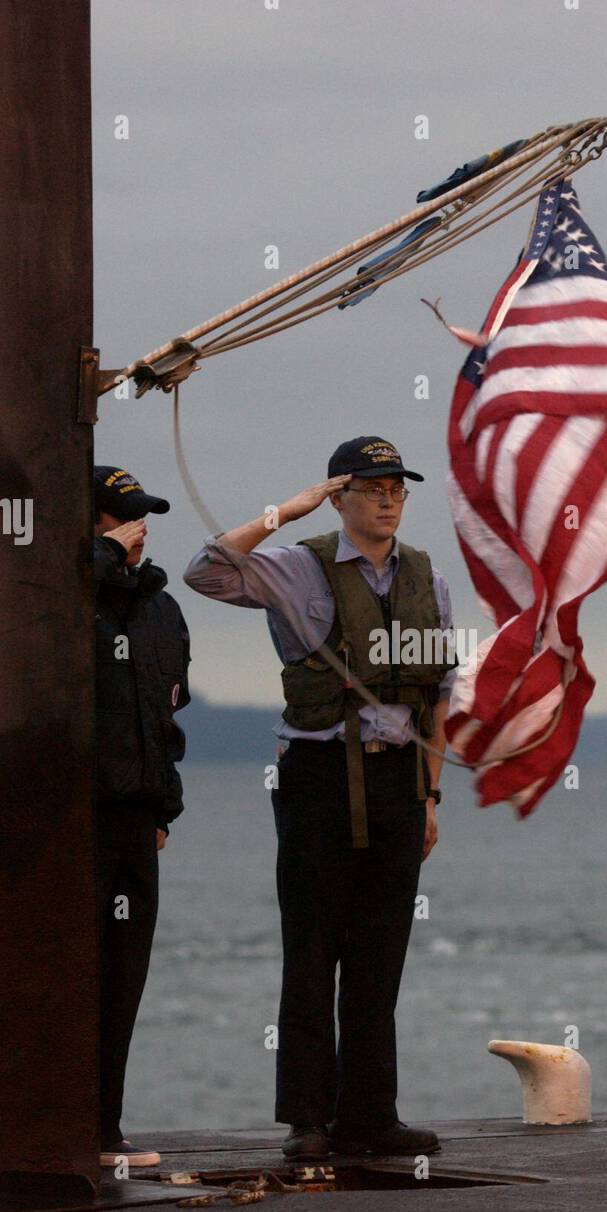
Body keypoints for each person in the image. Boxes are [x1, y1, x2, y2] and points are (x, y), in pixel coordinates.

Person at [184, 436, 457, 1158]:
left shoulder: (426, 576)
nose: (388, 498)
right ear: (339, 497)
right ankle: (308, 1119)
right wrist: (286, 509)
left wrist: (430, 796)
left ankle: (372, 1114)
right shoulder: (296, 566)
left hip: (399, 779)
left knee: (380, 954)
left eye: (397, 486)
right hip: (317, 777)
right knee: (310, 950)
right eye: (371, 487)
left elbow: (438, 696)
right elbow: (205, 572)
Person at [93, 466, 191, 1167]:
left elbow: (167, 715)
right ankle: (45, 1124)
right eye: (117, 519)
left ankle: (102, 1127)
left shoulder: (160, 608)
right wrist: (95, 562)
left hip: (136, 819)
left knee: (123, 976)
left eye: (142, 516)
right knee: (60, 972)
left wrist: (165, 807)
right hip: (67, 821)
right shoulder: (51, 594)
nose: (136, 529)